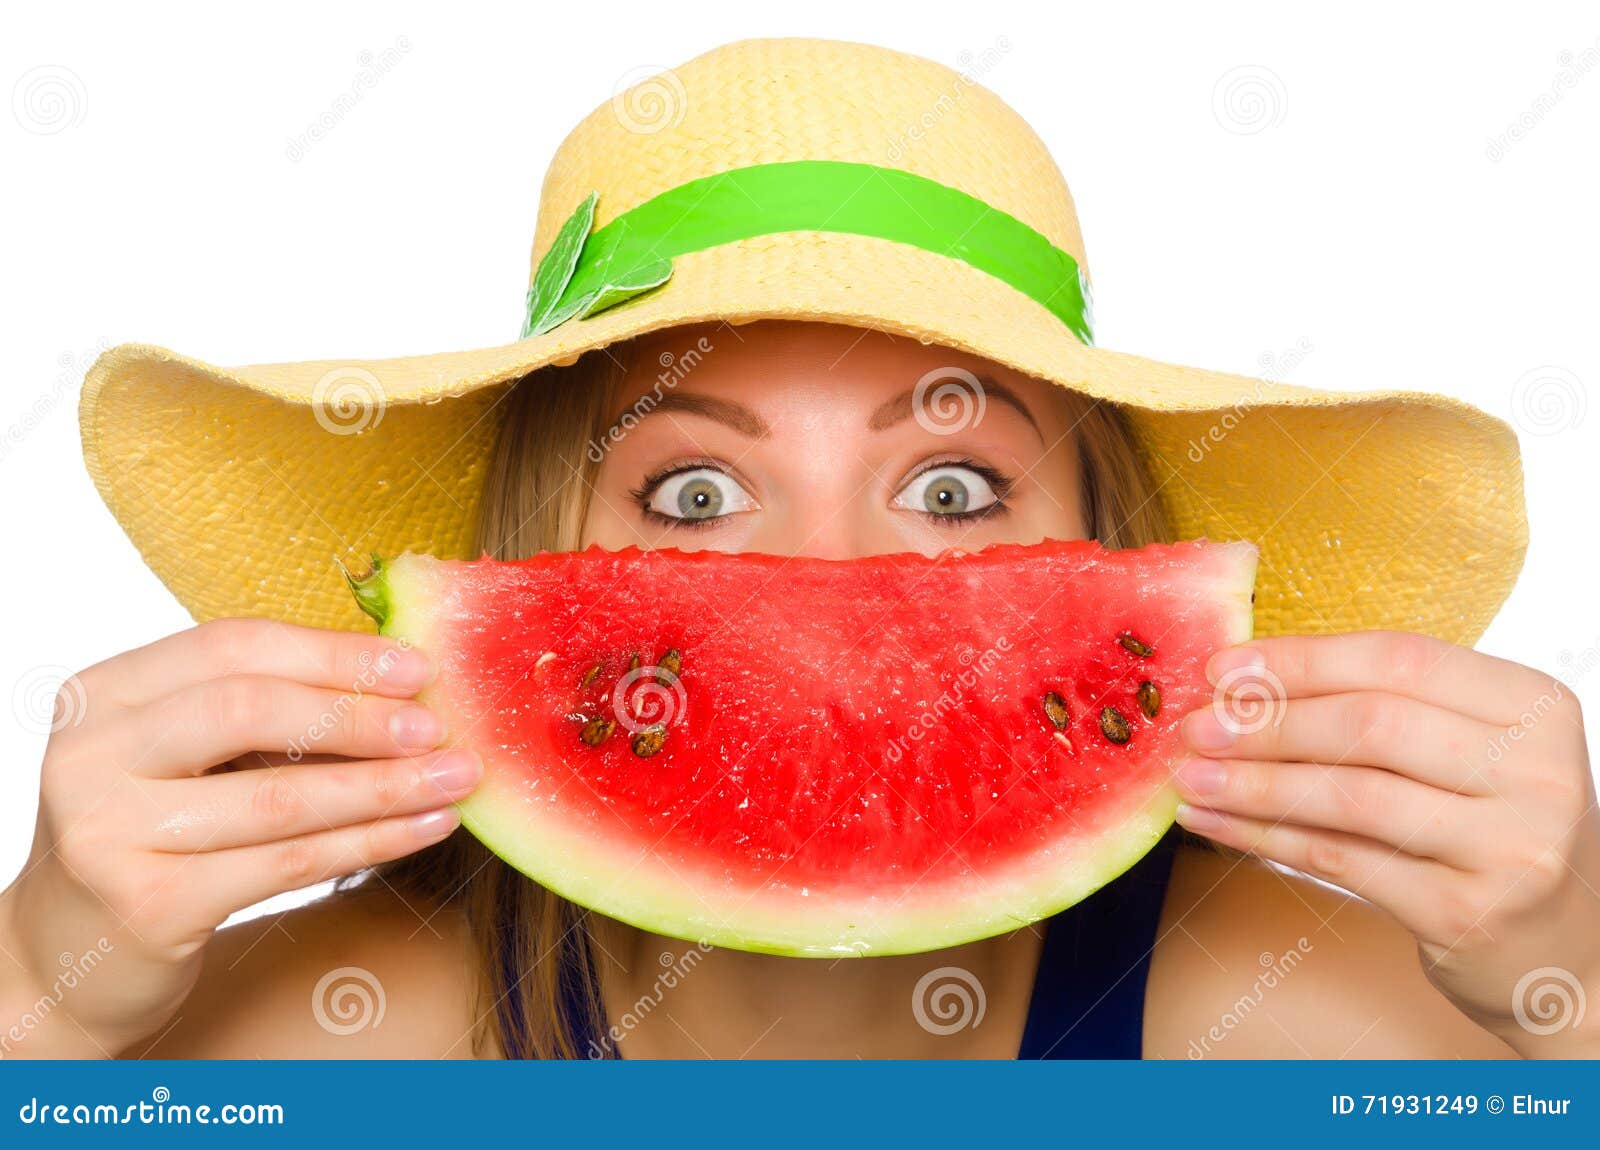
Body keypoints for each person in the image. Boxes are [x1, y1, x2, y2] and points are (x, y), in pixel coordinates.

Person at [5, 39, 1592, 1060]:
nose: (829, 587)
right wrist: (41, 991)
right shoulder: (384, 1020)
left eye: (954, 488)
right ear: (534, 548)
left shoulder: (1267, 1005)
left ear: (1106, 543)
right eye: (695, 493)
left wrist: (1572, 988)